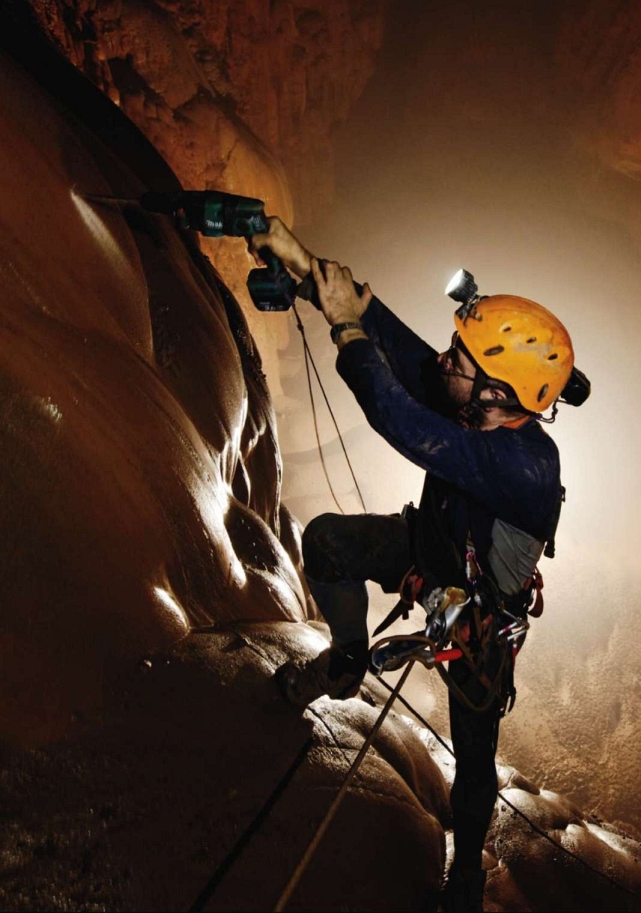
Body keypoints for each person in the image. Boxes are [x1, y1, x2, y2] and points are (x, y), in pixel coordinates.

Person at [250, 218, 572, 912]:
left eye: (465, 360)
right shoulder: (481, 405)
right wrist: (319, 278)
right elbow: (413, 360)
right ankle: (343, 660)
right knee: (328, 541)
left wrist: (347, 331)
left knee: (474, 760)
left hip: (477, 620)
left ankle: (464, 881)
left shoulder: (523, 468)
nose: (448, 361)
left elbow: (400, 417)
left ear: (499, 396)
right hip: (429, 550)